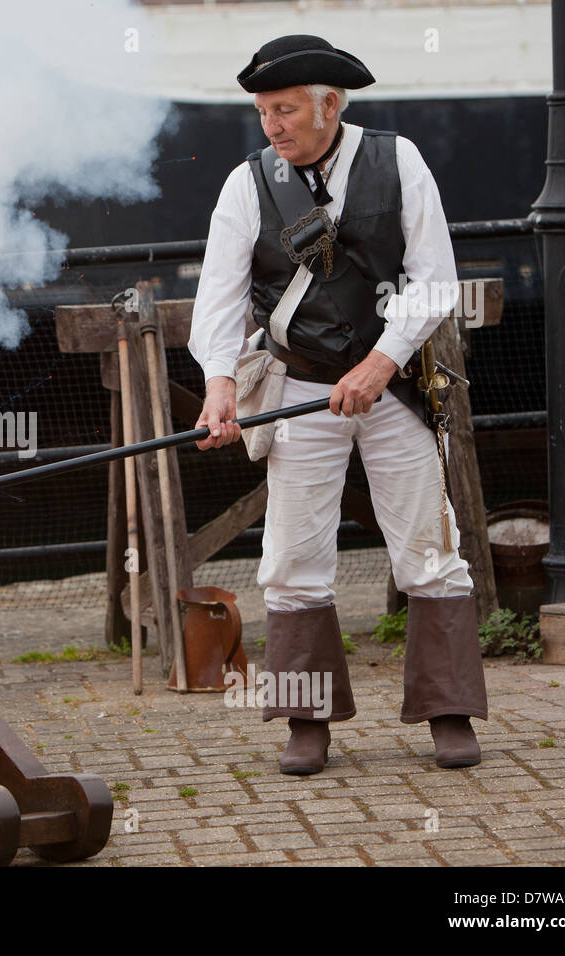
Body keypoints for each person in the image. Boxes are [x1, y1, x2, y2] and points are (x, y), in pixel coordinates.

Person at [188, 35, 487, 775]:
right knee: (292, 557)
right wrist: (220, 384)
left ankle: (449, 712)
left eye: (285, 109)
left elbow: (435, 280)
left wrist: (383, 362)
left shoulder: (399, 160)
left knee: (427, 546)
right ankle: (306, 719)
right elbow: (220, 298)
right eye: (263, 112)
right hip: (295, 388)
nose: (273, 126)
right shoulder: (245, 184)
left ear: (330, 104)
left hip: (392, 387)